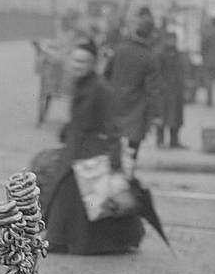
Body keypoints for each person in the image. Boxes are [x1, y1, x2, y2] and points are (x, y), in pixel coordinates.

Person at [44, 40, 145, 255]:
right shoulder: (81, 84)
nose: (77, 66)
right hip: (77, 148)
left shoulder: (100, 89)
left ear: (93, 64)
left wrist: (115, 160)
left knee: (81, 195)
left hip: (92, 152)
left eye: (84, 62)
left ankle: (64, 239)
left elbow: (113, 125)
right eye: (75, 60)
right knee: (70, 194)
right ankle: (59, 238)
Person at [103, 10, 162, 159]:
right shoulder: (150, 58)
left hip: (114, 104)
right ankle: (127, 175)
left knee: (112, 146)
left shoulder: (120, 49)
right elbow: (152, 90)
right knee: (132, 150)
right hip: (136, 110)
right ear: (150, 35)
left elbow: (106, 74)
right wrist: (156, 115)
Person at [155, 30, 186, 149]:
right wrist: (161, 86)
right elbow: (157, 72)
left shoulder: (177, 53)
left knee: (176, 117)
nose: (172, 42)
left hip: (176, 90)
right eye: (170, 39)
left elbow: (181, 70)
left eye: (174, 39)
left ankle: (174, 140)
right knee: (162, 116)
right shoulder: (160, 54)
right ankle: (160, 140)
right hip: (164, 91)